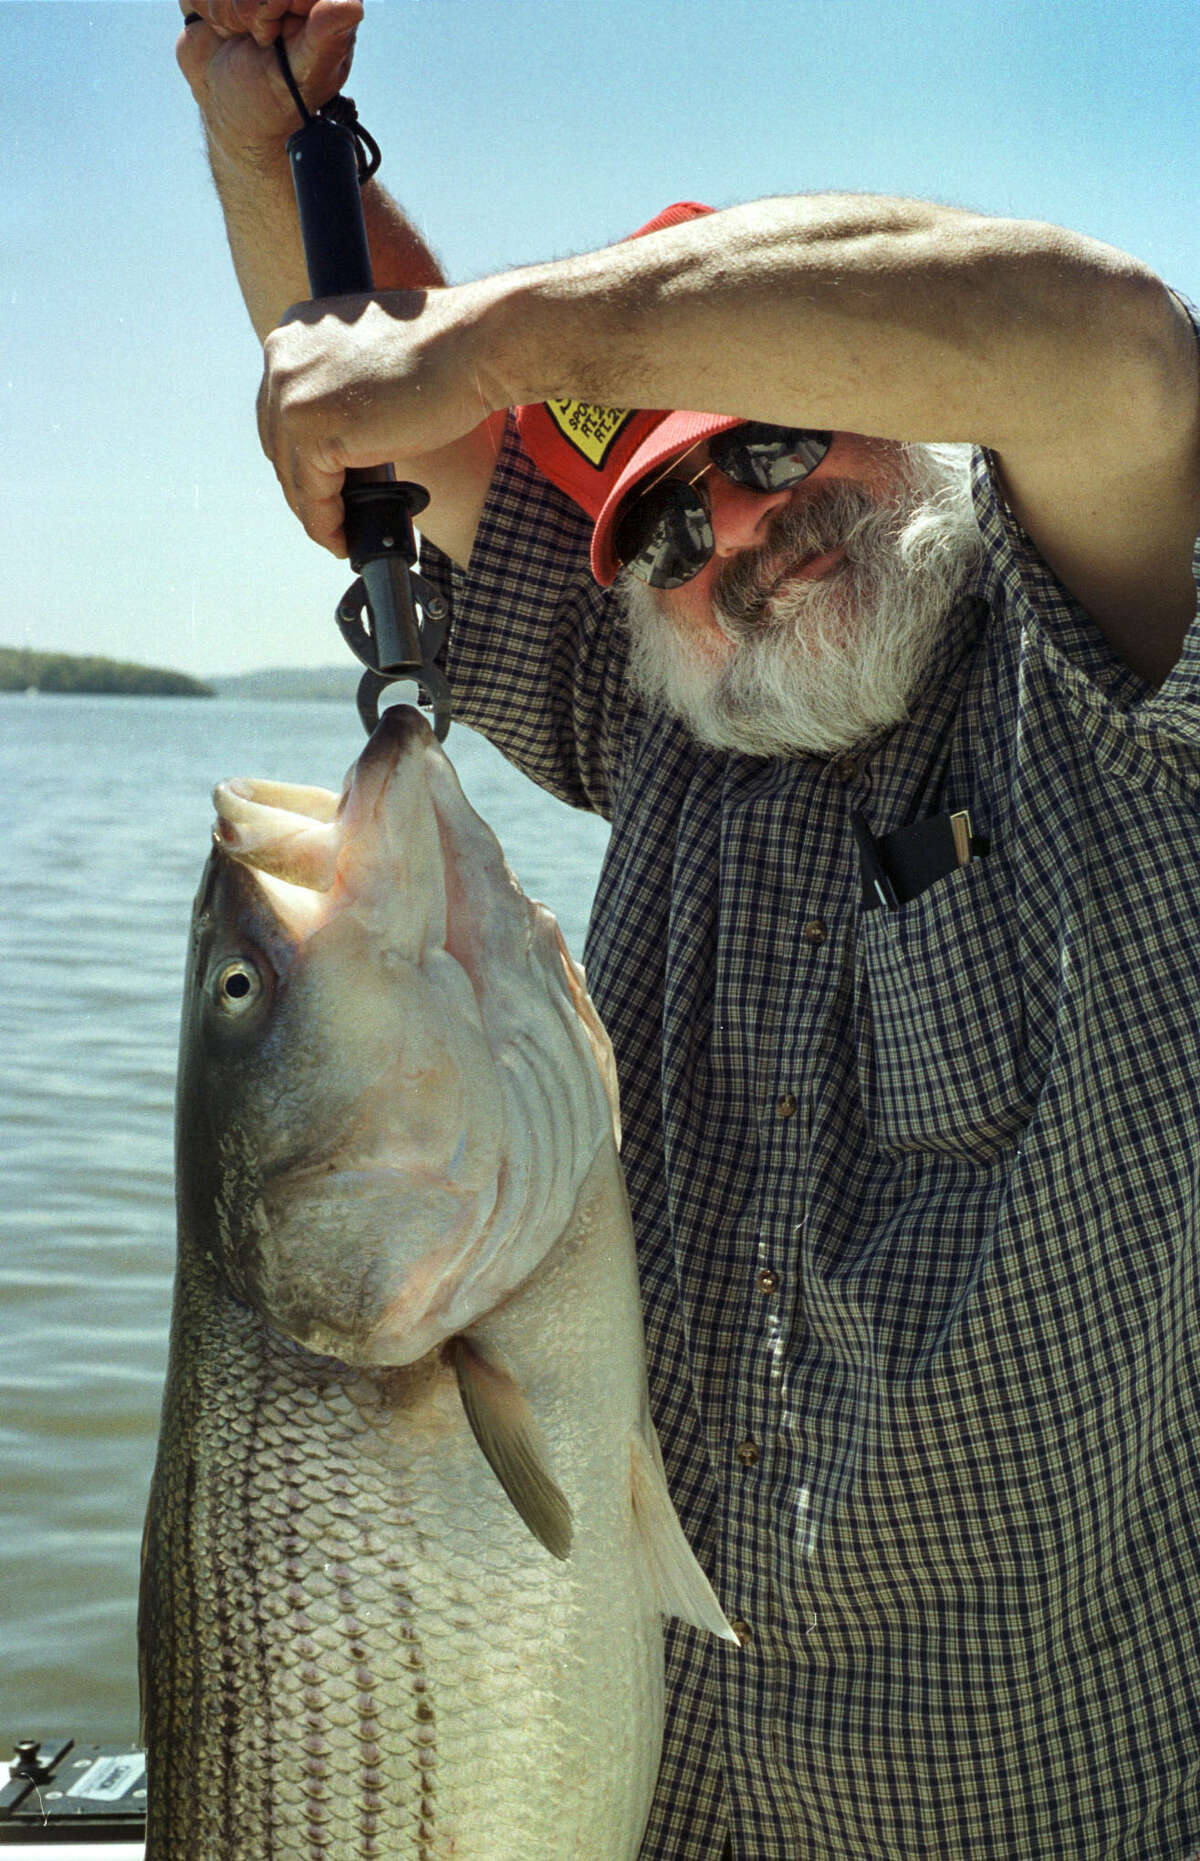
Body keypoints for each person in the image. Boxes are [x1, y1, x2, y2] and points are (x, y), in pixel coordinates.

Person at [178, 4, 1200, 1855]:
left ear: (911, 412)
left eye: (786, 438)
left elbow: (1120, 348)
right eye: (660, 525)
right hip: (636, 1792)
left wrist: (502, 337)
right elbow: (419, 451)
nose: (738, 528)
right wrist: (272, 151)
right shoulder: (678, 716)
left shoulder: (1118, 698)